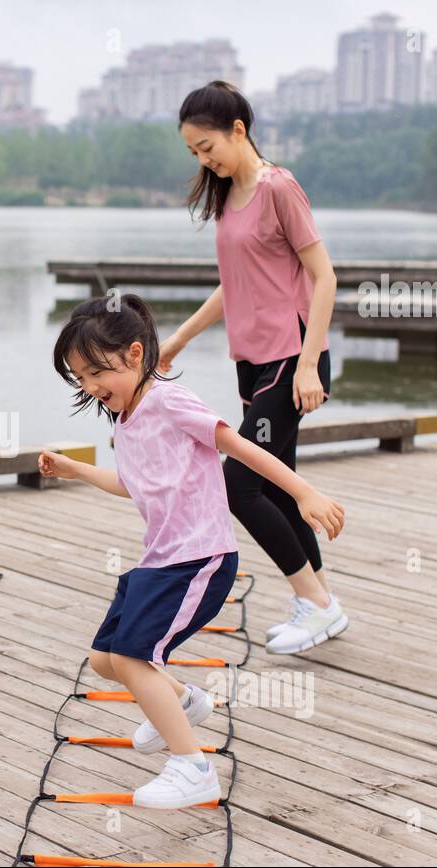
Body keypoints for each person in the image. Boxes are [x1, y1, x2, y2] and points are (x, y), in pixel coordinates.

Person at [39, 293, 344, 809]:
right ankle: (181, 702)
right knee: (105, 659)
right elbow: (134, 485)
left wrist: (303, 492)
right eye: (81, 378)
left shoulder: (169, 400)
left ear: (135, 354)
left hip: (200, 559)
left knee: (134, 657)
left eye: (97, 372)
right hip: (160, 560)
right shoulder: (125, 417)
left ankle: (193, 768)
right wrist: (77, 470)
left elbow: (242, 447)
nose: (91, 387)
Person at [162, 79, 348, 654]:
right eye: (193, 152)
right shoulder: (228, 196)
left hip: (292, 359)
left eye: (207, 146)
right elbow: (235, 285)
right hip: (253, 361)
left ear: (238, 130)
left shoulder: (278, 188)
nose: (203, 160)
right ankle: (320, 603)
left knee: (238, 483)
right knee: (277, 484)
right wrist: (177, 342)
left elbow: (325, 277)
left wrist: (310, 365)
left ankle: (316, 604)